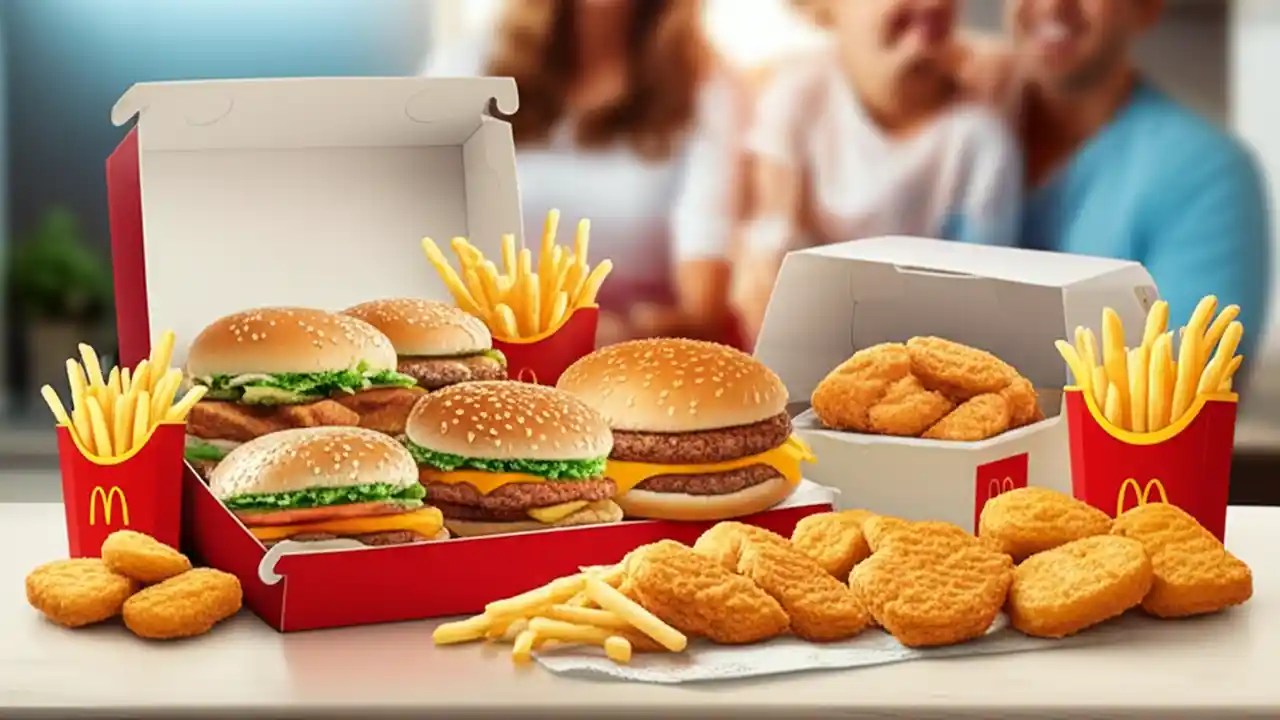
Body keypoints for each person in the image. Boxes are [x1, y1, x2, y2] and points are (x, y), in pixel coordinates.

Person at [427, 0, 749, 347]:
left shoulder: (707, 84)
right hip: (483, 347)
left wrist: (599, 333)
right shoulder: (469, 63)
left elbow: (701, 311)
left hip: (634, 356)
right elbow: (421, 232)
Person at [731, 0, 1024, 345]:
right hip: (796, 346)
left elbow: (977, 301)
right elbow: (769, 246)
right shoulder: (797, 95)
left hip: (915, 357)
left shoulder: (977, 142)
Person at [1004, 0, 1271, 365]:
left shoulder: (1208, 172)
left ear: (1147, 8)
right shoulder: (952, 139)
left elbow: (1179, 391)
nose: (1053, 4)